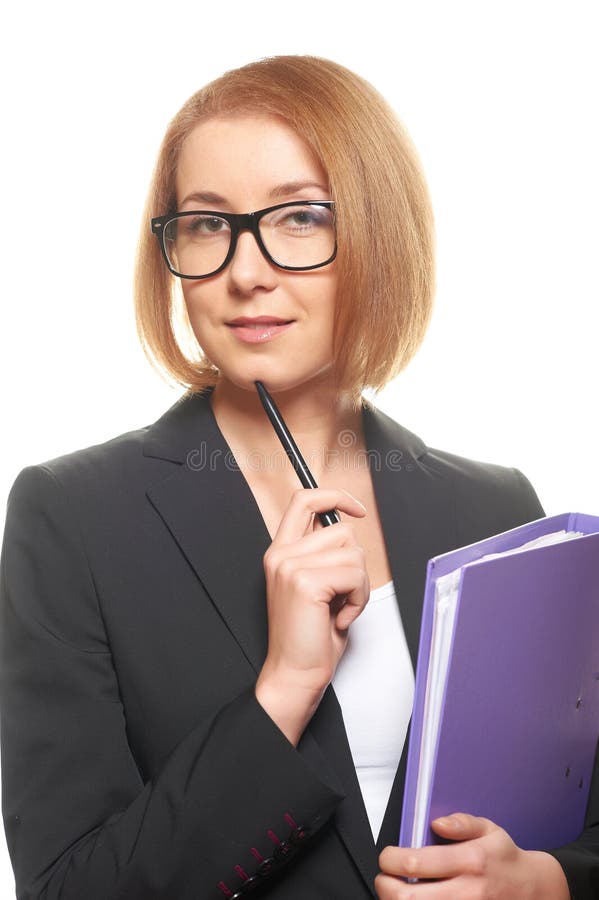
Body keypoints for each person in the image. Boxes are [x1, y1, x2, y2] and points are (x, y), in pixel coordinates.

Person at [0, 54, 596, 900]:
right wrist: (284, 689)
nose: (245, 271)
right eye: (207, 224)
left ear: (380, 234)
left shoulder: (495, 505)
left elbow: (581, 815)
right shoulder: (72, 519)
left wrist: (543, 883)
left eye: (300, 217)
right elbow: (67, 888)